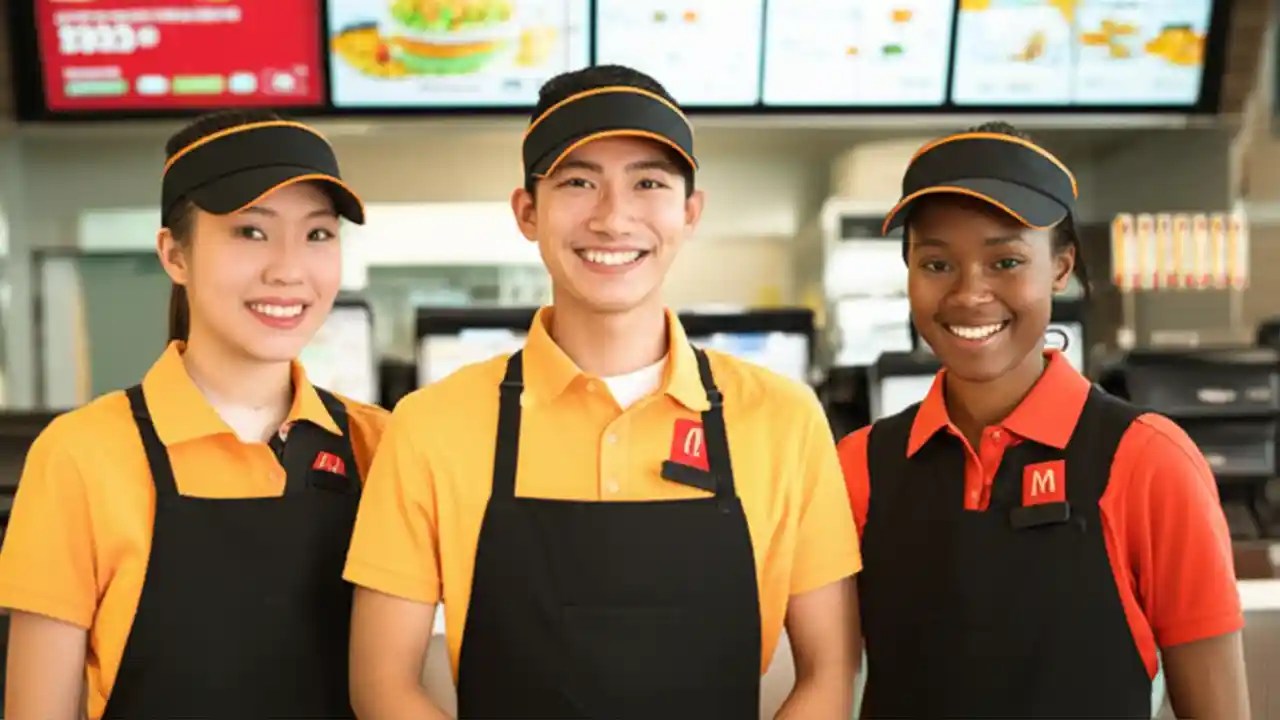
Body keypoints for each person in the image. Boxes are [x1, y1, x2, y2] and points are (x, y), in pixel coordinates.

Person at [345, 64, 862, 719]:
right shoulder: (430, 425)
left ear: (689, 211)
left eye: (648, 182)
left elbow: (830, 674)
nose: (614, 217)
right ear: (527, 212)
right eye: (578, 182)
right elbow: (383, 686)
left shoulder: (784, 419)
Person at [838, 121, 1250, 719]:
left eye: (1005, 260)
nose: (969, 294)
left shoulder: (1148, 461)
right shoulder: (858, 466)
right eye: (936, 264)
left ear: (1061, 267)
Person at [0, 109, 388, 719]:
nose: (288, 269)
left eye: (318, 234)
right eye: (250, 232)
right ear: (174, 255)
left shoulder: (380, 445)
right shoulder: (82, 454)